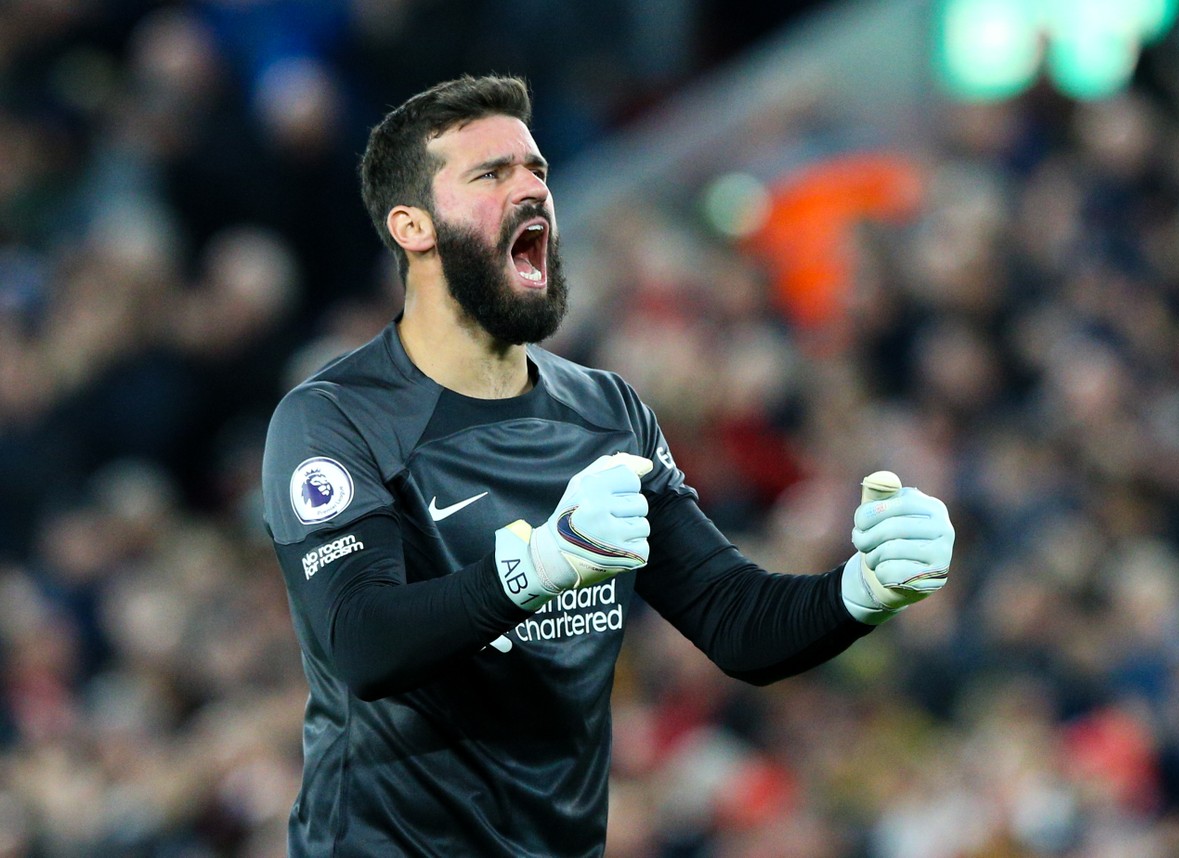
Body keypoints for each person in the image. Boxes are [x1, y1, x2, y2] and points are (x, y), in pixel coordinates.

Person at [260, 74, 955, 857]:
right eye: (492, 175)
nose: (532, 192)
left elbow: (734, 620)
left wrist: (861, 589)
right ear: (413, 226)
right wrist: (538, 566)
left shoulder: (604, 411)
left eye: (538, 172)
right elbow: (361, 641)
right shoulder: (336, 416)